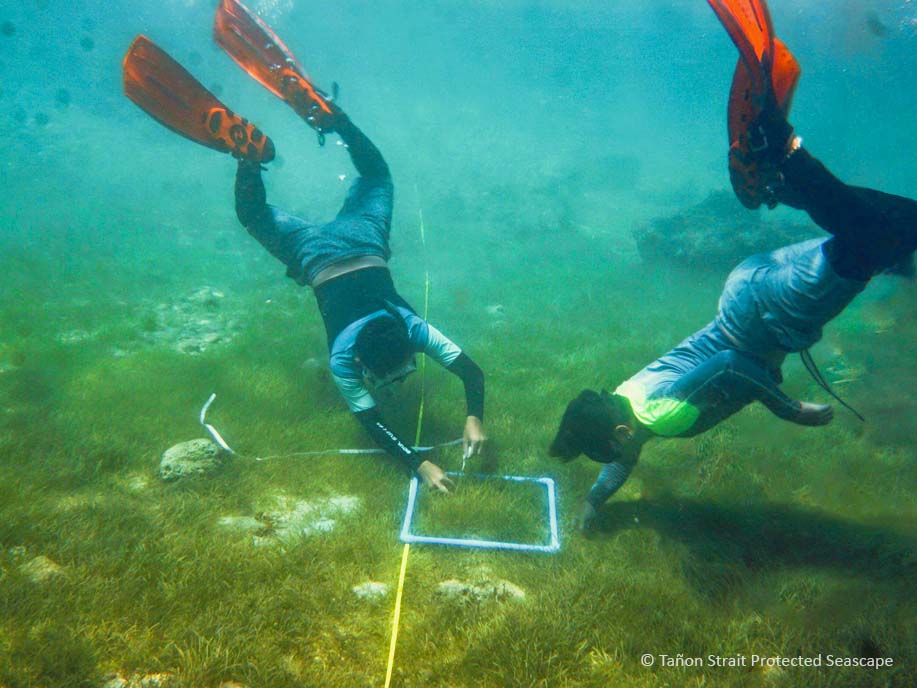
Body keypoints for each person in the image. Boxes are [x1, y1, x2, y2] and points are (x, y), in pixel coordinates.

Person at [124, 0, 486, 493]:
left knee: (375, 176)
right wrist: (436, 449)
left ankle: (332, 120)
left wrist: (441, 444)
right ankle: (246, 160)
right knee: (259, 216)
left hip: (361, 242)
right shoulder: (343, 357)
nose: (398, 381)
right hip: (318, 255)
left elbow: (462, 376)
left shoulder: (406, 329)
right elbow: (377, 421)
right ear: (363, 363)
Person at [550, 103, 916, 530]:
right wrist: (595, 500)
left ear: (620, 434)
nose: (624, 455)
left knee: (870, 238)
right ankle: (784, 187)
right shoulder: (626, 398)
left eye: (617, 449)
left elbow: (731, 365)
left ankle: (786, 160)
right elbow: (623, 454)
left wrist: (787, 408)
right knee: (897, 229)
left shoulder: (660, 416)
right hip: (746, 290)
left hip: (771, 317)